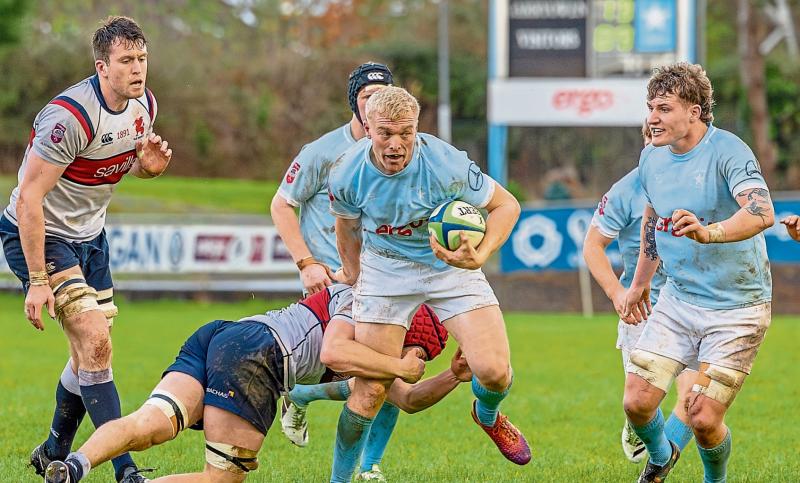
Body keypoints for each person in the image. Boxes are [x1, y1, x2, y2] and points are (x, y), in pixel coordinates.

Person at [43, 284, 472, 483]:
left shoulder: (377, 340)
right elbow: (333, 354)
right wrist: (399, 362)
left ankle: (73, 467)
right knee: (220, 480)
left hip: (223, 335)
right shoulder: (368, 304)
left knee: (149, 423)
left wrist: (452, 374)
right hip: (260, 356)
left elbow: (409, 399)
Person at [326, 85, 530, 483]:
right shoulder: (346, 173)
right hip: (385, 270)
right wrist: (352, 273)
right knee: (370, 391)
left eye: (407, 133)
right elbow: (346, 225)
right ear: (367, 127)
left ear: (418, 128)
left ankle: (487, 416)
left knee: (493, 372)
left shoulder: (444, 163)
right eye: (386, 133)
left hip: (449, 268)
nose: (397, 144)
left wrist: (482, 252)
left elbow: (507, 205)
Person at [0, 16, 171, 483]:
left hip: (91, 238)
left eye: (142, 59)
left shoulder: (144, 106)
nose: (138, 69)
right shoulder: (69, 118)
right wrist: (37, 281)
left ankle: (53, 448)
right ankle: (125, 469)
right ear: (101, 67)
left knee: (88, 352)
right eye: (126, 61)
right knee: (96, 341)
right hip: (38, 234)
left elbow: (121, 167)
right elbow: (30, 198)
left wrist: (148, 169)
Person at [272, 62, 425, 481]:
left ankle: (370, 464)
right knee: (374, 370)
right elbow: (281, 203)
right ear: (354, 104)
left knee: (387, 365)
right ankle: (304, 395)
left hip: (393, 277)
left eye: (383, 97)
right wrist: (307, 262)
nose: (375, 105)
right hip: (339, 282)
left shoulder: (405, 152)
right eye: (367, 99)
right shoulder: (323, 152)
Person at [622, 62, 773, 483]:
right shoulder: (651, 156)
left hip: (737, 306)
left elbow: (762, 212)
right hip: (680, 298)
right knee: (636, 402)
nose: (653, 118)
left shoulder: (729, 151)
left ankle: (715, 480)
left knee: (702, 418)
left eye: (665, 108)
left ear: (695, 111)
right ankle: (661, 455)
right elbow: (652, 219)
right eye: (650, 107)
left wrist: (710, 233)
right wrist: (640, 282)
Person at [583, 121, 696, 465]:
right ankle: (641, 426)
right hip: (642, 312)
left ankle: (658, 467)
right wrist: (618, 293)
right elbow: (592, 245)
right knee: (641, 405)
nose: (654, 141)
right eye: (648, 134)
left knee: (694, 400)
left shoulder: (701, 181)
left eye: (660, 133)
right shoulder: (626, 189)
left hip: (693, 305)